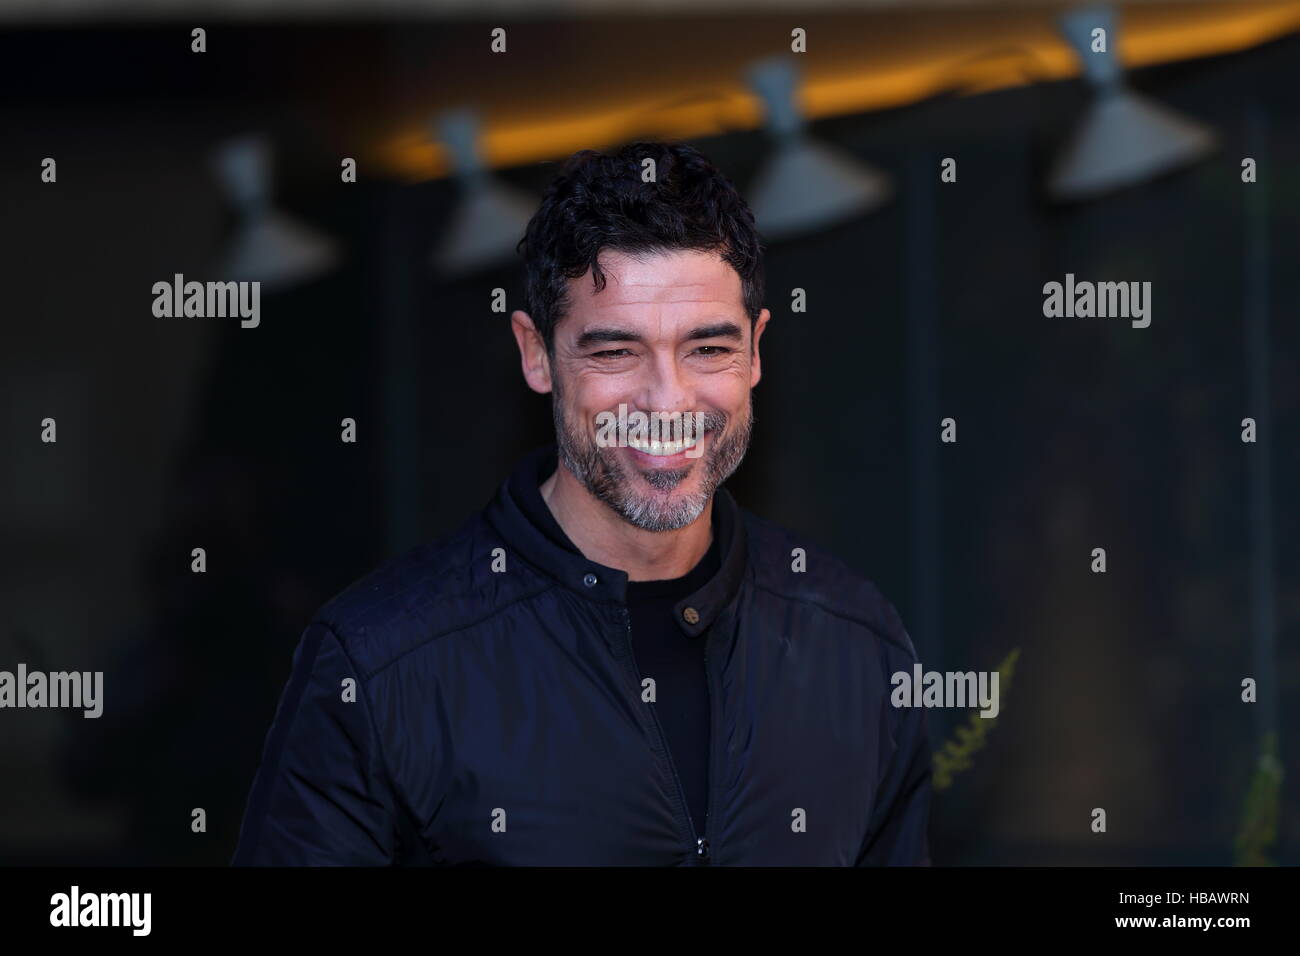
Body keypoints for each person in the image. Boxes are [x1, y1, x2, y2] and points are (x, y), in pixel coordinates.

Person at [232, 141, 931, 866]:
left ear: (755, 351)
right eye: (615, 352)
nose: (667, 401)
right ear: (536, 354)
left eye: (707, 349)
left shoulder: (857, 643)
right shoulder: (381, 664)